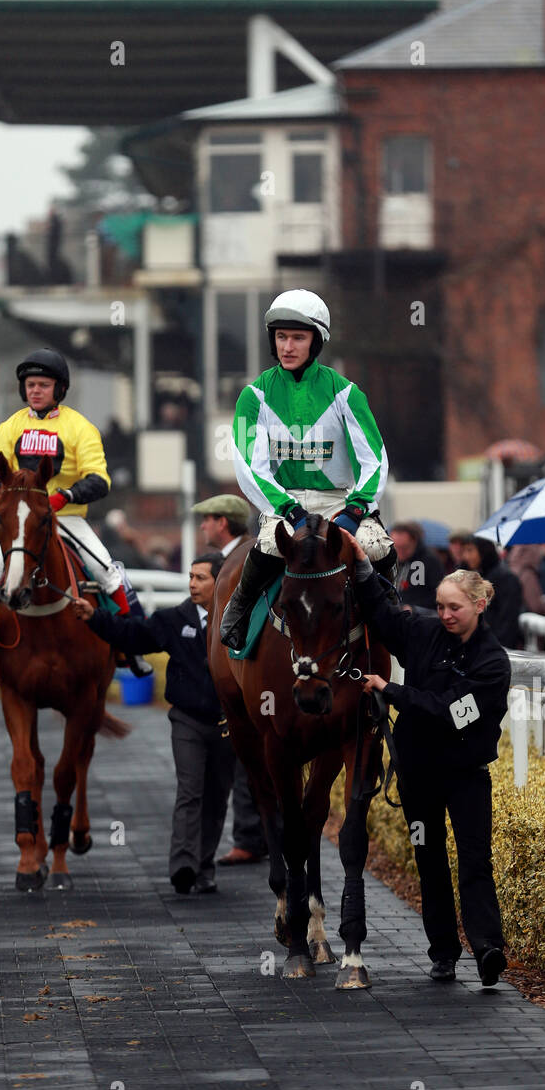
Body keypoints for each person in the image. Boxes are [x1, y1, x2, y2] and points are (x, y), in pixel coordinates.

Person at [345, 531, 512, 987]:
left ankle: (488, 949)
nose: (445, 615)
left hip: (464, 775)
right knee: (429, 859)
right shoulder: (423, 631)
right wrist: (361, 564)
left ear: (479, 605)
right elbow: (382, 614)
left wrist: (390, 690)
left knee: (475, 860)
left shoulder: (493, 663)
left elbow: (452, 714)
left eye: (454, 607)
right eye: (439, 606)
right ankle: (443, 952)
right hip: (419, 773)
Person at [220, 289, 395, 648]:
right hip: (284, 504)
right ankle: (239, 605)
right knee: (269, 546)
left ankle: (390, 614)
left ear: (316, 342)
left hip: (340, 502)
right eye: (281, 337)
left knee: (377, 548)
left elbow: (374, 458)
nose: (287, 346)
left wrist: (357, 507)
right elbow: (250, 468)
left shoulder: (347, 393)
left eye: (298, 338)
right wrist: (289, 510)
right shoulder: (253, 396)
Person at [74, 554, 234, 895]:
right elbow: (134, 635)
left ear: (219, 583)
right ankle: (183, 866)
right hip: (187, 721)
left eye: (201, 578)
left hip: (227, 725)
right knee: (190, 791)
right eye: (190, 576)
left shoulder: (240, 619)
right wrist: (94, 618)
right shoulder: (175, 619)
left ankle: (205, 866)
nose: (192, 583)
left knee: (217, 797)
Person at [0, 349, 130, 611]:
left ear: (60, 388)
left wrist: (65, 496)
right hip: (22, 525)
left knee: (107, 573)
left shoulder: (81, 427)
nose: (35, 391)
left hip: (66, 518)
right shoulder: (9, 427)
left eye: (44, 385)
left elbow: (99, 480)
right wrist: (14, 497)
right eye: (30, 385)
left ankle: (130, 645)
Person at [192, 493, 266, 867]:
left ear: (223, 523)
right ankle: (255, 834)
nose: (202, 526)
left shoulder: (245, 557)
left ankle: (251, 837)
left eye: (207, 519)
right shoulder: (223, 561)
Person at [459, 536, 523, 649]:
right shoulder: (482, 576)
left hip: (497, 648)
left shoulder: (505, 578)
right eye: (464, 551)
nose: (465, 556)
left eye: (470, 550)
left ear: (483, 551)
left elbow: (507, 623)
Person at [389, 520, 443, 612]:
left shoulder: (430, 561)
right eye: (395, 547)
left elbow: (439, 595)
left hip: (421, 617)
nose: (399, 553)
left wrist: (414, 608)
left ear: (414, 542)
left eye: (404, 548)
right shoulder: (391, 560)